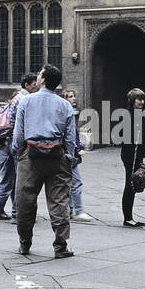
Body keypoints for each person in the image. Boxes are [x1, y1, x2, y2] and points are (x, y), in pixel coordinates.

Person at [10, 65, 77, 258]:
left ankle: (24, 243)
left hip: (30, 155)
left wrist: (17, 151)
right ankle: (61, 246)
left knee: (25, 201)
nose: (37, 77)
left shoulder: (27, 101)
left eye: (39, 75)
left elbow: (19, 132)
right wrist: (69, 156)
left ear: (44, 80)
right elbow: (70, 135)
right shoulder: (65, 105)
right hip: (57, 155)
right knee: (59, 202)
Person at [0, 71, 40, 220]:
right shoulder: (24, 99)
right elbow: (20, 125)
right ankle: (15, 213)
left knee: (12, 180)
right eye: (34, 85)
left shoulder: (19, 98)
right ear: (27, 85)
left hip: (10, 142)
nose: (36, 88)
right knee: (18, 180)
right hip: (16, 143)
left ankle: (8, 211)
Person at [121, 87, 145, 227]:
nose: (142, 101)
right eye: (139, 99)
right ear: (132, 100)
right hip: (130, 155)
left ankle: (129, 217)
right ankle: (128, 218)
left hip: (137, 155)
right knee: (130, 184)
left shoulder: (141, 115)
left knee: (133, 184)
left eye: (142, 99)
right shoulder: (127, 115)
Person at [63, 87, 92, 222]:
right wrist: (76, 149)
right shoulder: (66, 113)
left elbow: (73, 135)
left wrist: (78, 146)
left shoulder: (70, 113)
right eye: (70, 96)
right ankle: (78, 211)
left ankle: (70, 211)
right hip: (69, 155)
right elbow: (67, 135)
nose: (73, 98)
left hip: (69, 154)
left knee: (69, 184)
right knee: (76, 183)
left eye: (73, 96)